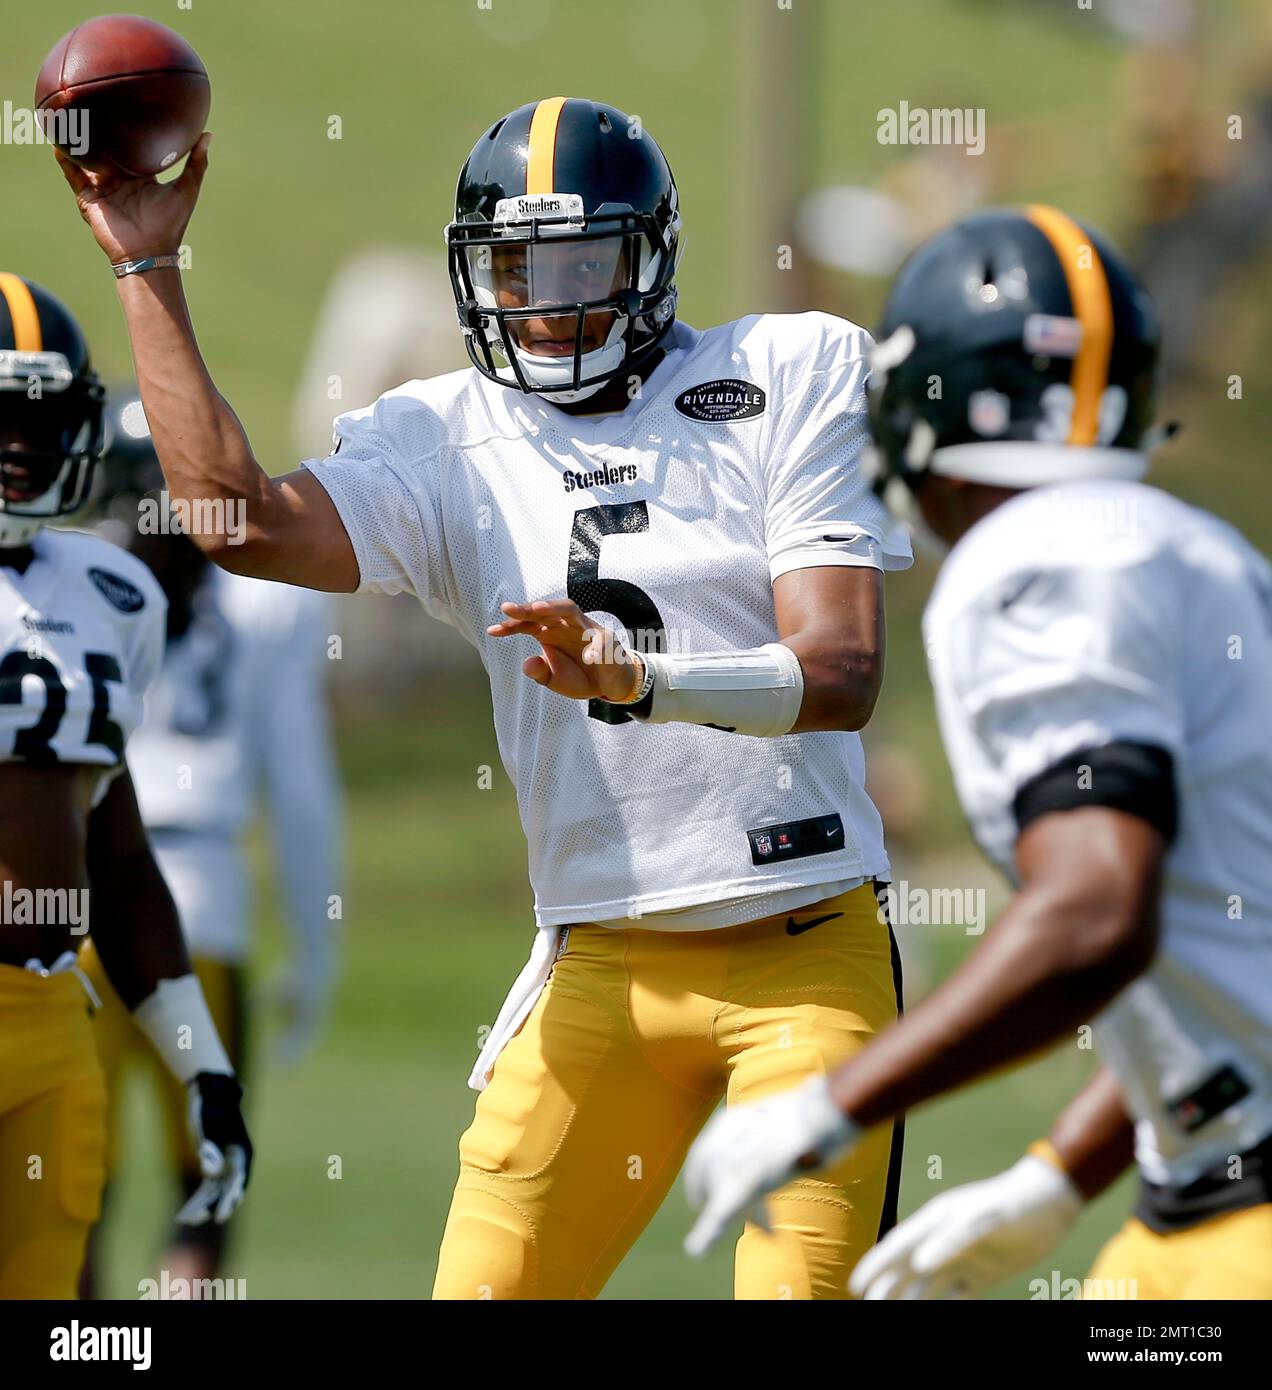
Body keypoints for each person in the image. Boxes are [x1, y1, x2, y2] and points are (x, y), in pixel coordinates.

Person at [57, 95, 913, 1300]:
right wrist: (147, 261)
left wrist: (640, 676)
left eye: (581, 262)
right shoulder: (441, 435)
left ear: (650, 257)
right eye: (517, 266)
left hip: (804, 947)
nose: (549, 299)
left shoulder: (786, 370)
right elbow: (233, 519)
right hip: (601, 959)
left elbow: (840, 672)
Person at [682, 206, 1272, 1301]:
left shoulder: (1034, 559)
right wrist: (1057, 1174)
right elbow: (1221, 951)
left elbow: (1098, 912)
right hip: (1197, 1191)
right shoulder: (1201, 552)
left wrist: (834, 1102)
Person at [0, 273, 250, 1298]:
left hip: (56, 1017)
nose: (21, 445)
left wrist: (200, 1060)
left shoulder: (113, 595)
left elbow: (116, 850)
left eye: (42, 418)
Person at [77, 388, 341, 1297]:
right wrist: (316, 937)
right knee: (209, 1182)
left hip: (78, 906)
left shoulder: (69, 585)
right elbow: (300, 788)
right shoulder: (271, 605)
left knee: (74, 1181)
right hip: (205, 906)